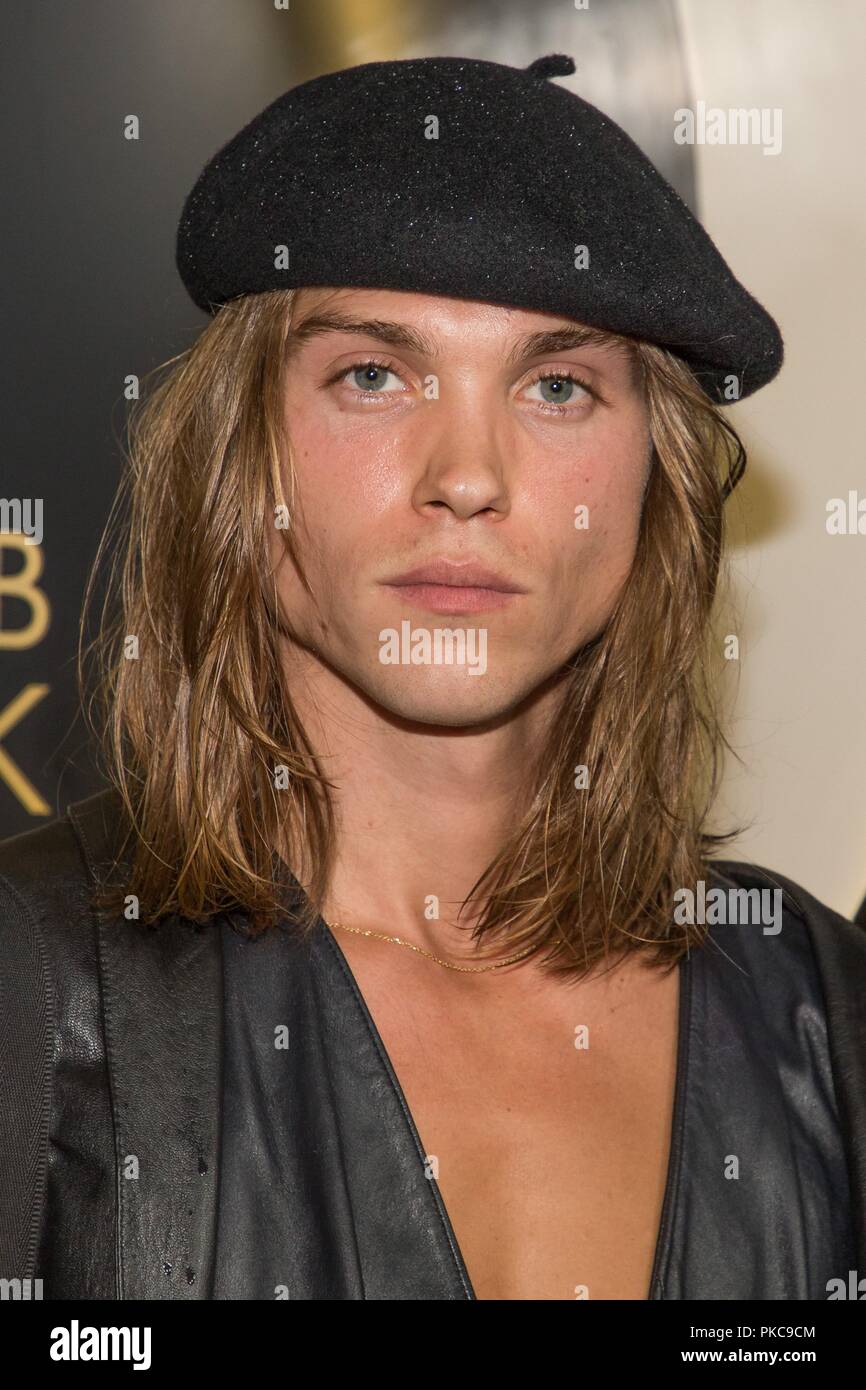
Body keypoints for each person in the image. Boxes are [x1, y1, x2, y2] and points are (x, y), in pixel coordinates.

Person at [1, 52, 865, 1303]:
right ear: (239, 456)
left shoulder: (818, 1011)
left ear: (650, 484)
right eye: (371, 375)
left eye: (557, 386)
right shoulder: (36, 991)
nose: (466, 473)